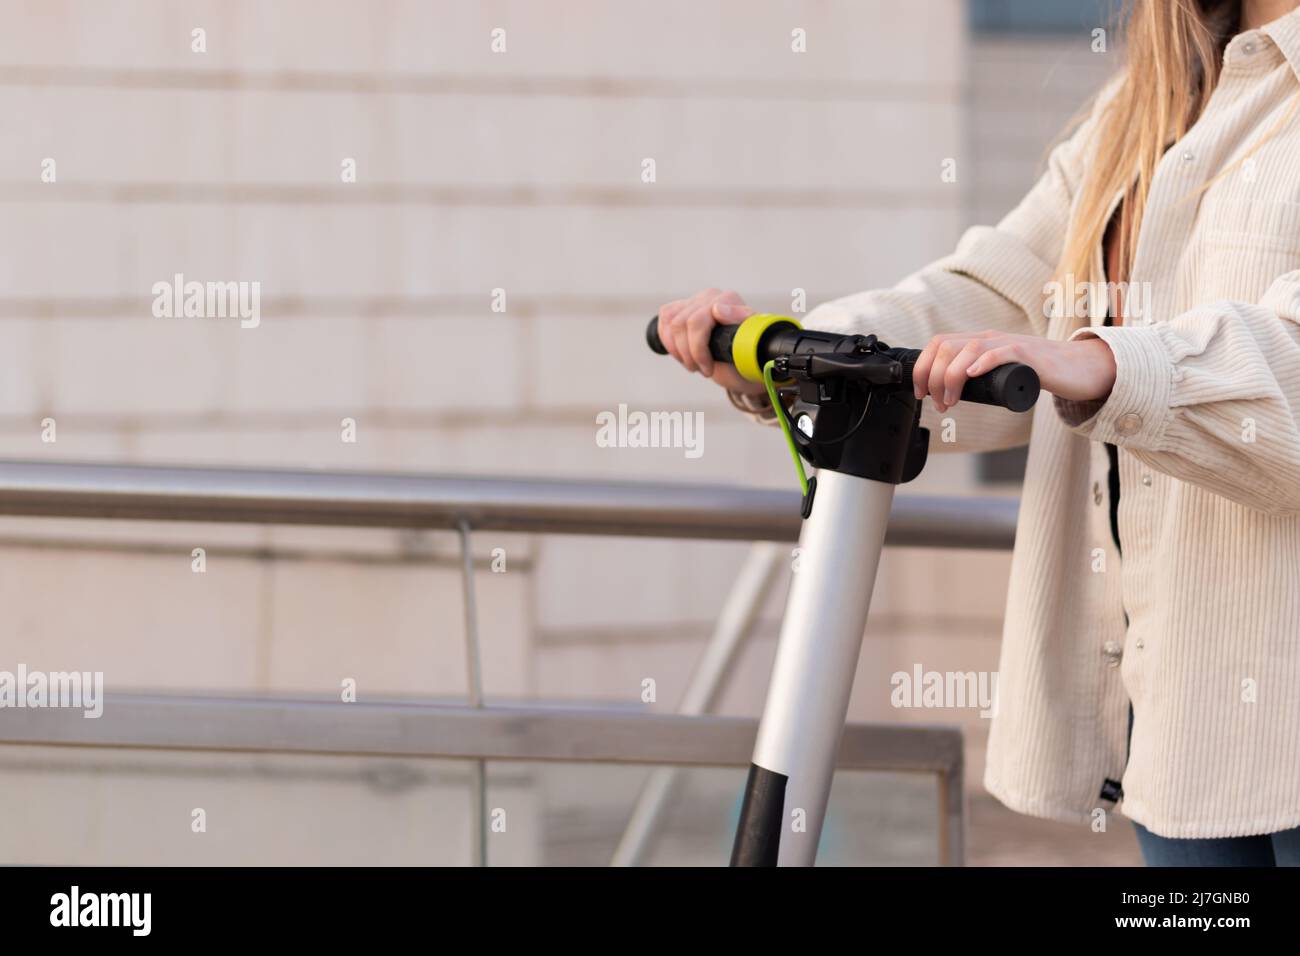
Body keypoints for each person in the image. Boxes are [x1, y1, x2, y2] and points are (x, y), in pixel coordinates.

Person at [655, 0, 1300, 867]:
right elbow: (999, 297)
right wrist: (797, 350)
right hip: (1187, 717)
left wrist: (1109, 366)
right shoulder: (1150, 105)